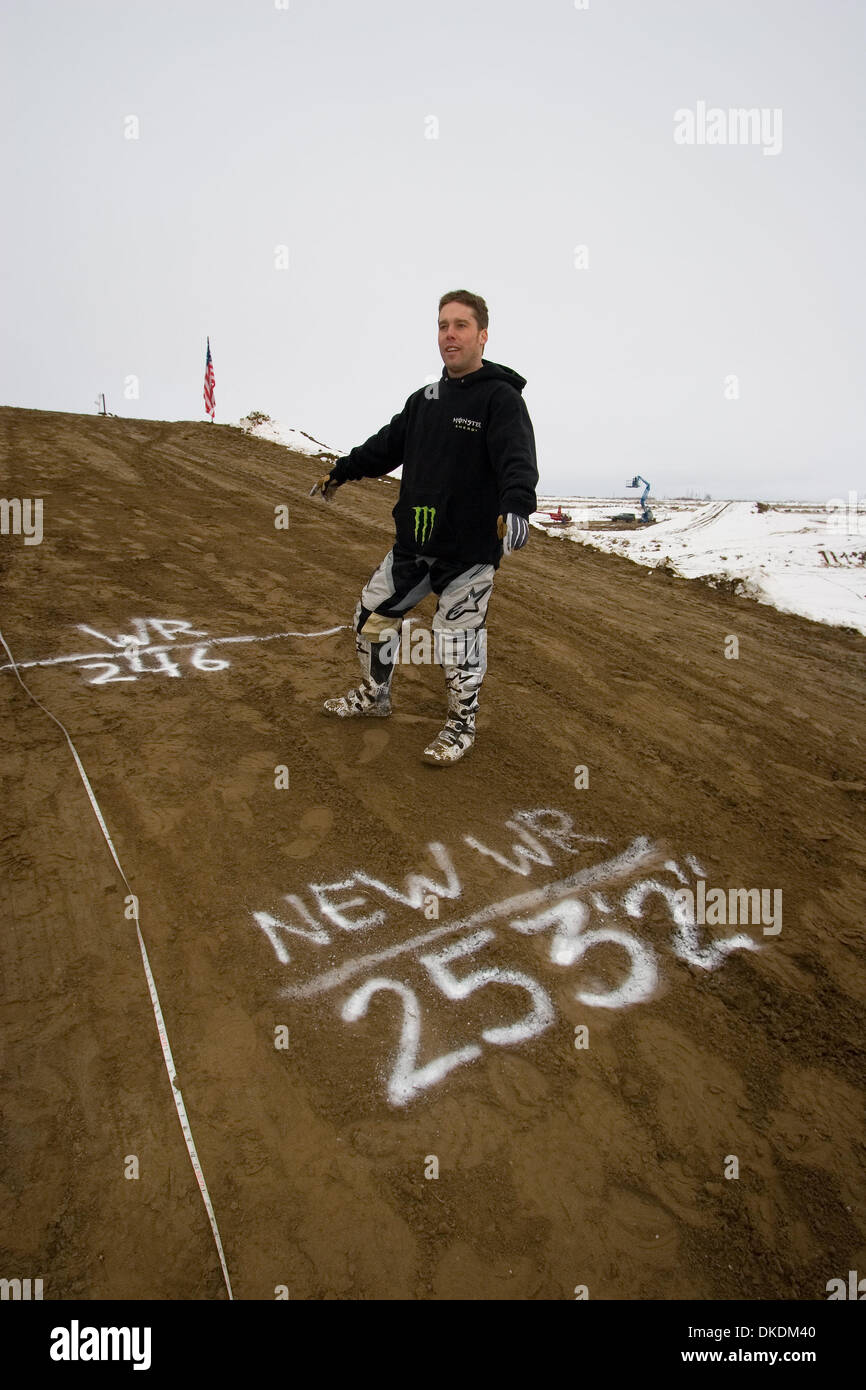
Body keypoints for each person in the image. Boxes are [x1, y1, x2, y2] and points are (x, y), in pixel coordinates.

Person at [310, 290, 538, 765]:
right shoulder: (424, 401)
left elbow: (516, 458)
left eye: (460, 325)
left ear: (482, 335)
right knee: (370, 619)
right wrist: (342, 470)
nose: (449, 335)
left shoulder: (501, 399)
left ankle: (461, 725)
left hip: (469, 554)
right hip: (413, 547)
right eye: (442, 326)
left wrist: (517, 506)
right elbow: (385, 445)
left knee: (456, 641)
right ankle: (376, 696)